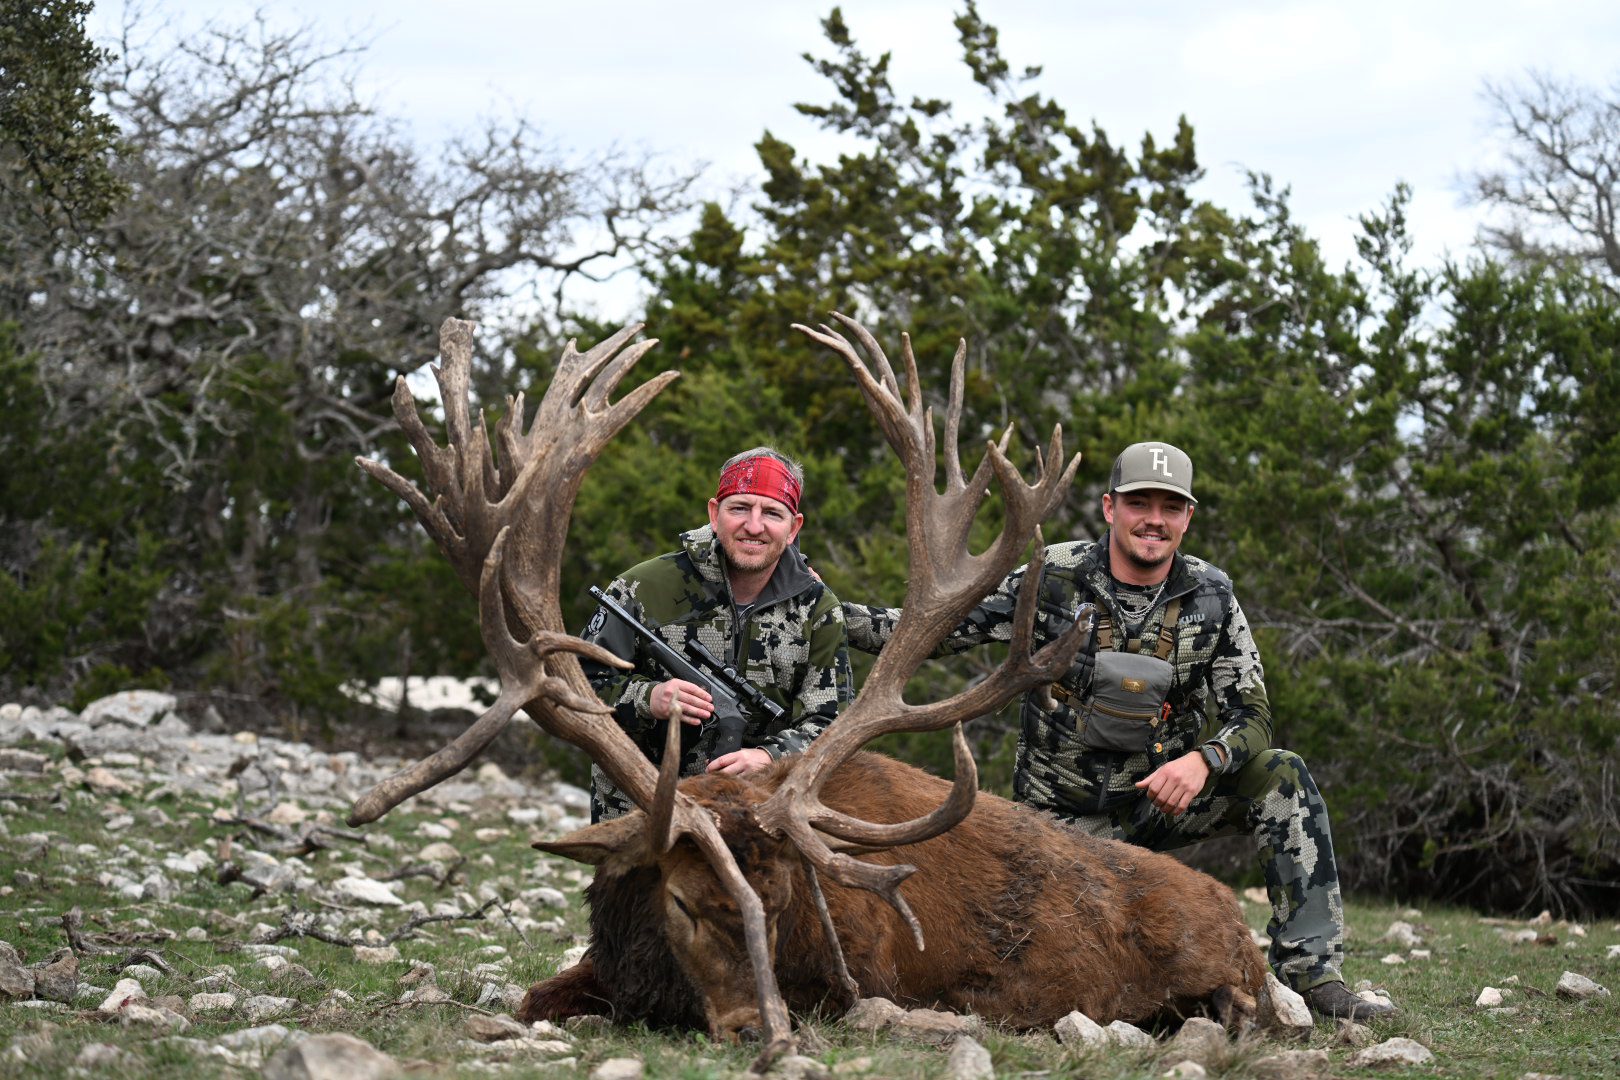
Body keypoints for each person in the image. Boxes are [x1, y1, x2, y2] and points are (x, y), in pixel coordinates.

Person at [842, 441, 1395, 1022]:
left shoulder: (1212, 595)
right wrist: (822, 605)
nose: (1154, 519)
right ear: (1110, 507)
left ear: (1187, 518)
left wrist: (1204, 760)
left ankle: (1314, 979)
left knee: (1283, 776)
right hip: (1059, 830)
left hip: (1162, 804)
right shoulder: (1051, 575)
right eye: (1139, 502)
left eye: (1170, 506)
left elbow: (1252, 718)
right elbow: (931, 629)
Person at [581, 447, 855, 822]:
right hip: (640, 809)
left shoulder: (819, 609)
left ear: (794, 528)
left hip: (759, 818)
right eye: (739, 508)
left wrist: (769, 757)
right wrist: (650, 697)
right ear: (714, 514)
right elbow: (578, 688)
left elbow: (831, 726)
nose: (754, 526)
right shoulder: (639, 588)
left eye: (772, 513)